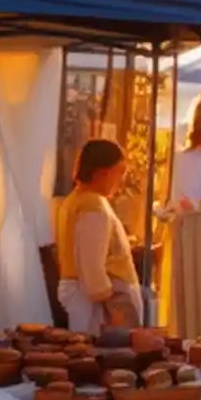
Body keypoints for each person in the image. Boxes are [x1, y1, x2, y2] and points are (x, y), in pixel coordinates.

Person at [56, 140, 142, 334]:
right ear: (102, 173)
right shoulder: (92, 206)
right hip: (97, 304)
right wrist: (114, 308)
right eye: (119, 172)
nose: (121, 180)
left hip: (86, 295)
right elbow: (91, 266)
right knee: (102, 348)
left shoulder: (76, 201)